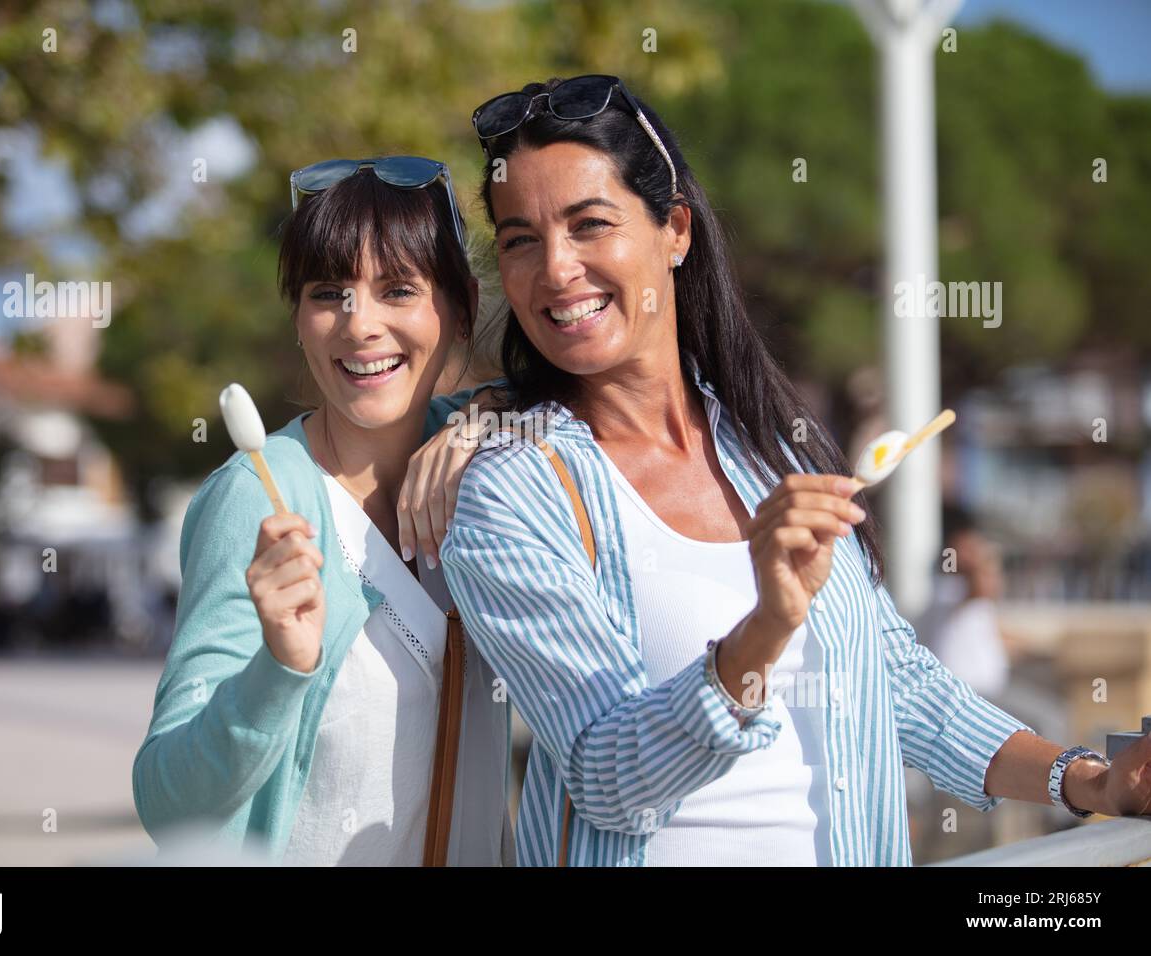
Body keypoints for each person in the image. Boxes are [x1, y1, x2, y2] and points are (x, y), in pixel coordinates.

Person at [439, 75, 1151, 866]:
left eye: (589, 224)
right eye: (520, 240)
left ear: (674, 230)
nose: (557, 269)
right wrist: (764, 629)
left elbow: (901, 686)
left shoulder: (771, 446)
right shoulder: (513, 492)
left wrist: (1087, 780)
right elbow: (610, 780)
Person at [133, 156, 514, 865]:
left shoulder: (498, 459)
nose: (358, 324)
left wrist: (486, 414)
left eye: (398, 289)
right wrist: (277, 671)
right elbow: (166, 802)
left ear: (460, 308)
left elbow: (599, 385)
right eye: (327, 292)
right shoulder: (259, 494)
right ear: (300, 320)